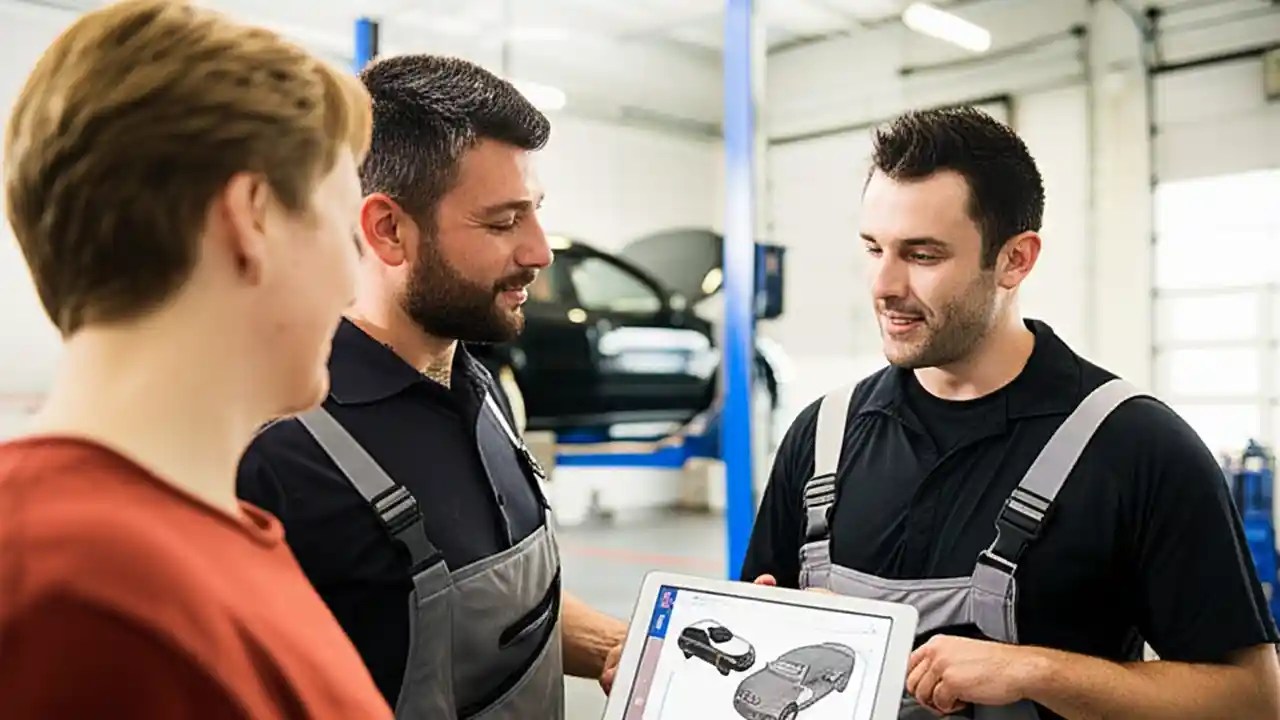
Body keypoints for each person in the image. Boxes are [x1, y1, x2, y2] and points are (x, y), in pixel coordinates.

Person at [741, 106, 1280, 719]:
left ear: (1016, 260)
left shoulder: (1138, 448)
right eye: (874, 248)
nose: (884, 285)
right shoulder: (822, 437)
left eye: (921, 255)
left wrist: (1039, 670)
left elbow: (1254, 700)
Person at [0, 1, 390, 717]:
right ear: (252, 218)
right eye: (346, 232)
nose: (350, 281)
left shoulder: (157, 550)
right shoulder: (83, 602)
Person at [236, 53, 627, 720]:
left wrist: (616, 647)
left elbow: (502, 610)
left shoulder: (480, 387)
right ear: (388, 230)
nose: (541, 251)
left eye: (535, 212)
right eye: (504, 223)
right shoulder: (276, 454)